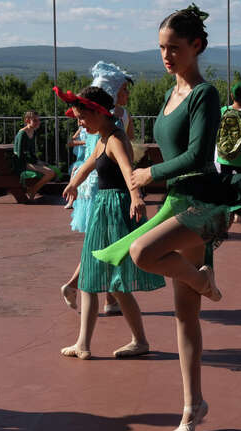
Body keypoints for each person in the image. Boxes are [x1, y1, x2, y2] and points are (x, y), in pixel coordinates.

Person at [93, 5, 241, 431]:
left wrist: (147, 174)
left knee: (140, 253)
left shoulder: (205, 94)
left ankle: (201, 278)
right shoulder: (168, 94)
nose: (166, 55)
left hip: (203, 202)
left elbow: (197, 157)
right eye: (161, 48)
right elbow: (171, 149)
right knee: (184, 317)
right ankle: (193, 407)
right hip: (176, 199)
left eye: (174, 47)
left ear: (197, 46)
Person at [57, 85, 164, 359]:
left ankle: (139, 341)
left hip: (115, 209)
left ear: (99, 112)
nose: (79, 123)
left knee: (116, 281)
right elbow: (87, 166)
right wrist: (73, 184)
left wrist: (136, 197)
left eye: (82, 117)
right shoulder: (103, 139)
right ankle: (84, 344)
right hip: (102, 209)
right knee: (91, 278)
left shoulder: (115, 139)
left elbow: (130, 171)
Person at [61, 62, 132, 315]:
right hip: (103, 194)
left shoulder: (111, 133)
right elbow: (93, 162)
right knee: (102, 249)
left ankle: (108, 298)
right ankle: (99, 294)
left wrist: (135, 195)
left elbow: (124, 165)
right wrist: (73, 183)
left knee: (106, 248)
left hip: (110, 193)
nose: (126, 94)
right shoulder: (106, 129)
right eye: (124, 89)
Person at [13, 110, 57, 200]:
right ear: (27, 120)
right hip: (21, 163)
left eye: (38, 120)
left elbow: (32, 152)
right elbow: (20, 155)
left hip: (29, 161)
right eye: (35, 120)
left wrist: (38, 162)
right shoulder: (22, 134)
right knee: (50, 173)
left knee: (51, 169)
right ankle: (33, 190)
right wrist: (35, 163)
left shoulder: (33, 132)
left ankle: (33, 190)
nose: (38, 122)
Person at [64, 124, 88, 210]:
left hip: (89, 157)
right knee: (74, 171)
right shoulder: (81, 129)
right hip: (82, 158)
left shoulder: (94, 128)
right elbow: (70, 142)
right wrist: (73, 140)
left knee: (75, 172)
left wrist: (78, 142)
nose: (79, 122)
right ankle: (71, 200)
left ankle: (72, 199)